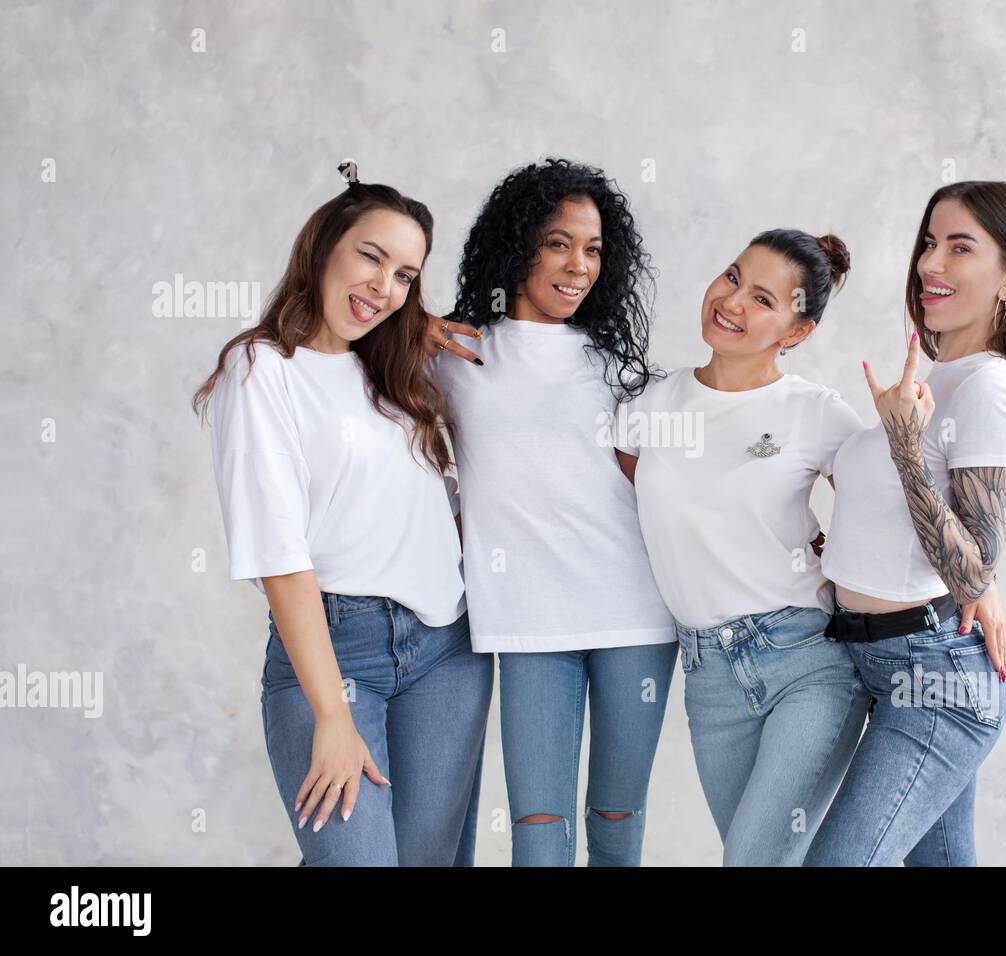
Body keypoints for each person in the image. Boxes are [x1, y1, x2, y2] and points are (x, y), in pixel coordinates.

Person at [193, 166, 491, 866]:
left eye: (406, 275)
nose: (384, 286)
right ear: (324, 245)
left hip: (448, 650)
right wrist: (332, 713)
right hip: (337, 651)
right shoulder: (261, 368)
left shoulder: (391, 374)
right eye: (370, 256)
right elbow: (280, 557)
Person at [427, 158, 676, 867]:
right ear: (517, 246)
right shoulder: (458, 352)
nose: (579, 265)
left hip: (637, 617)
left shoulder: (619, 370)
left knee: (617, 822)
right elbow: (354, 337)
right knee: (538, 835)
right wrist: (412, 325)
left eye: (594, 248)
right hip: (529, 623)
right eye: (560, 242)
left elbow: (671, 485)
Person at [805, 181, 1006, 866]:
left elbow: (973, 570)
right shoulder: (939, 379)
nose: (929, 264)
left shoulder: (989, 388)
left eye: (958, 247)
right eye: (927, 243)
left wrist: (904, 449)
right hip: (877, 663)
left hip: (934, 680)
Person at [614, 228, 868, 866]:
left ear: (796, 331)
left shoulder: (815, 411)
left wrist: (982, 586)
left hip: (805, 660)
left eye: (763, 299)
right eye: (732, 278)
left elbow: (893, 512)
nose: (732, 302)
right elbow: (645, 507)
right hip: (708, 677)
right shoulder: (652, 403)